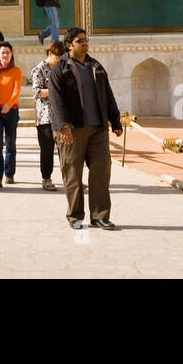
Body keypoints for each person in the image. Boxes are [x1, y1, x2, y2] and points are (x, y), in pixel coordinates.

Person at [49, 28, 122, 229]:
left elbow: (108, 94)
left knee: (101, 170)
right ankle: (75, 215)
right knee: (73, 173)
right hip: (73, 129)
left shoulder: (95, 66)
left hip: (97, 128)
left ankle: (100, 215)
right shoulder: (60, 68)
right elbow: (56, 100)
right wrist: (64, 126)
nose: (84, 43)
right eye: (79, 40)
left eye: (85, 40)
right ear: (69, 45)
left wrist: (115, 120)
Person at [0, 41, 23, 188]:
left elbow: (16, 90)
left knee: (10, 143)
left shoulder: (16, 71)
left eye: (8, 52)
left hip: (11, 110)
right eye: (2, 52)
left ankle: (9, 173)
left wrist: (9, 104)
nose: (5, 55)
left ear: (11, 54)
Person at [31, 41, 63, 190]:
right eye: (57, 57)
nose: (59, 60)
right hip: (45, 117)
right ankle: (46, 178)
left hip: (62, 115)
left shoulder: (63, 68)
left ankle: (70, 178)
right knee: (47, 150)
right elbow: (36, 92)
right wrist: (55, 91)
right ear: (50, 54)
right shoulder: (39, 69)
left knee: (66, 149)